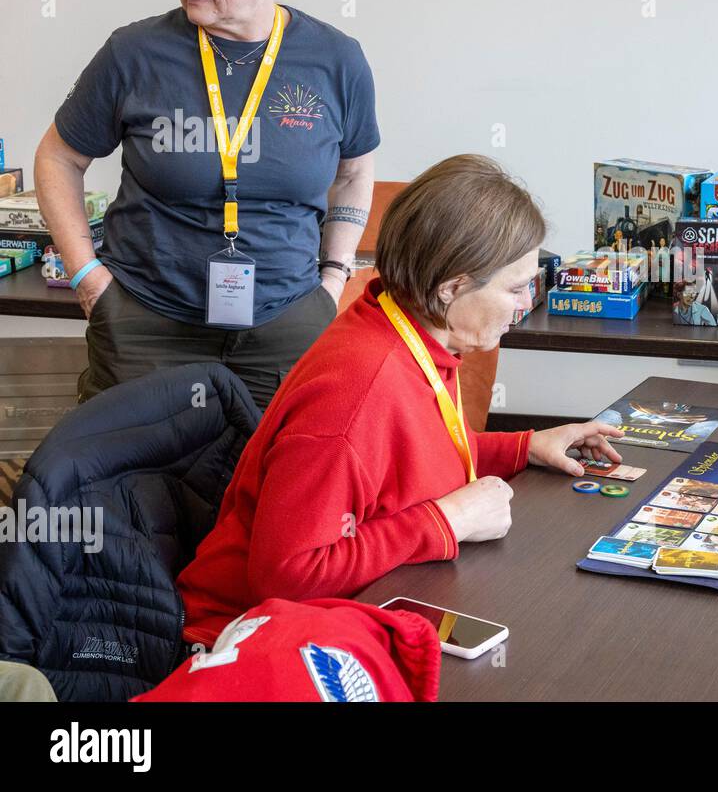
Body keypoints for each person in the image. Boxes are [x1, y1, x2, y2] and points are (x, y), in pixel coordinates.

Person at [177, 155, 624, 647]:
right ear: (452, 286)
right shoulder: (355, 394)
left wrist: (525, 446)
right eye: (517, 288)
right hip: (248, 640)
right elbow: (287, 577)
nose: (526, 302)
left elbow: (411, 463)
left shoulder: (407, 324)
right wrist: (446, 521)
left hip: (352, 607)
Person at [34, 0, 378, 410]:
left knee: (272, 480)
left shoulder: (335, 60)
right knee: (132, 481)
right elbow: (58, 156)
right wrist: (86, 276)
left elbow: (354, 174)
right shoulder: (135, 53)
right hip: (147, 322)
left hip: (286, 325)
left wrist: (333, 279)